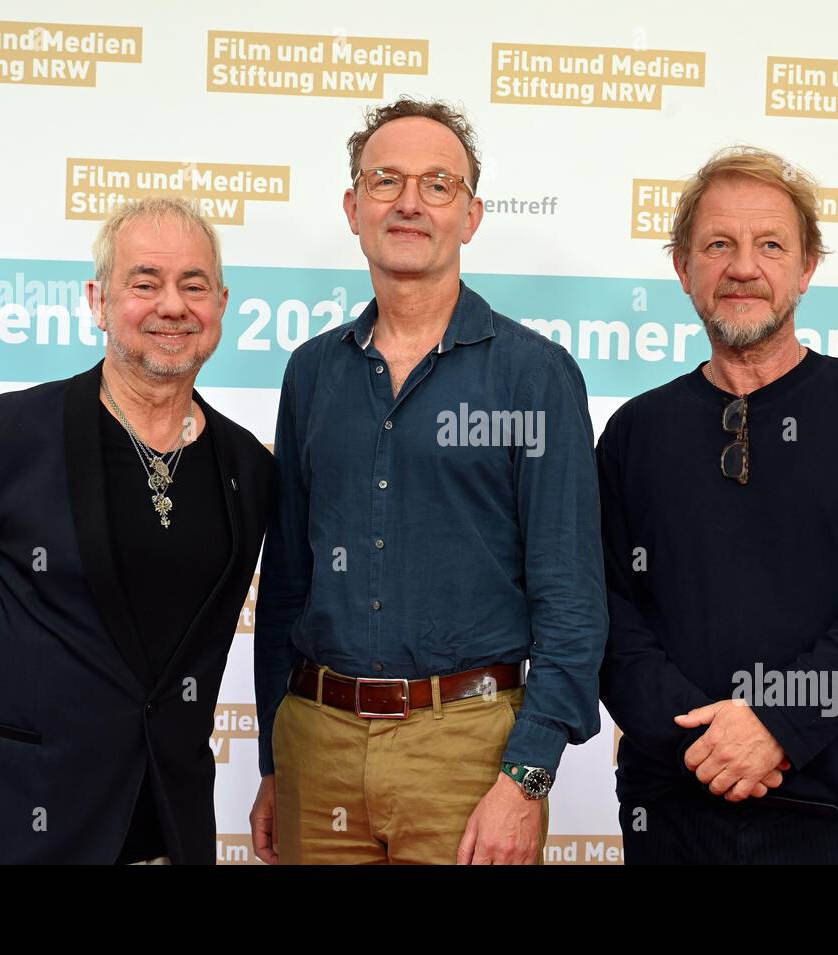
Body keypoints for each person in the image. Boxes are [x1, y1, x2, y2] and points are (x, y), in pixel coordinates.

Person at [249, 98, 606, 865]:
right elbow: (285, 581)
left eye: (437, 185)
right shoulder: (311, 373)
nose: (409, 202)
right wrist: (274, 762)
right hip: (318, 747)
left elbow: (571, 597)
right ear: (353, 207)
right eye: (386, 181)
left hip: (472, 753)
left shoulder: (533, 375)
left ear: (470, 215)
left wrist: (527, 777)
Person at [0, 196, 273, 864]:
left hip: (168, 830)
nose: (172, 306)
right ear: (98, 301)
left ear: (221, 304)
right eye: (145, 282)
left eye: (194, 285)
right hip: (6, 827)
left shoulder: (248, 465)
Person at [598, 147, 838, 864]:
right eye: (718, 244)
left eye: (769, 245)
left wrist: (779, 727)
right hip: (672, 817)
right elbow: (606, 616)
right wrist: (709, 745)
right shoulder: (635, 432)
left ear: (807, 267)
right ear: (683, 266)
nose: (742, 267)